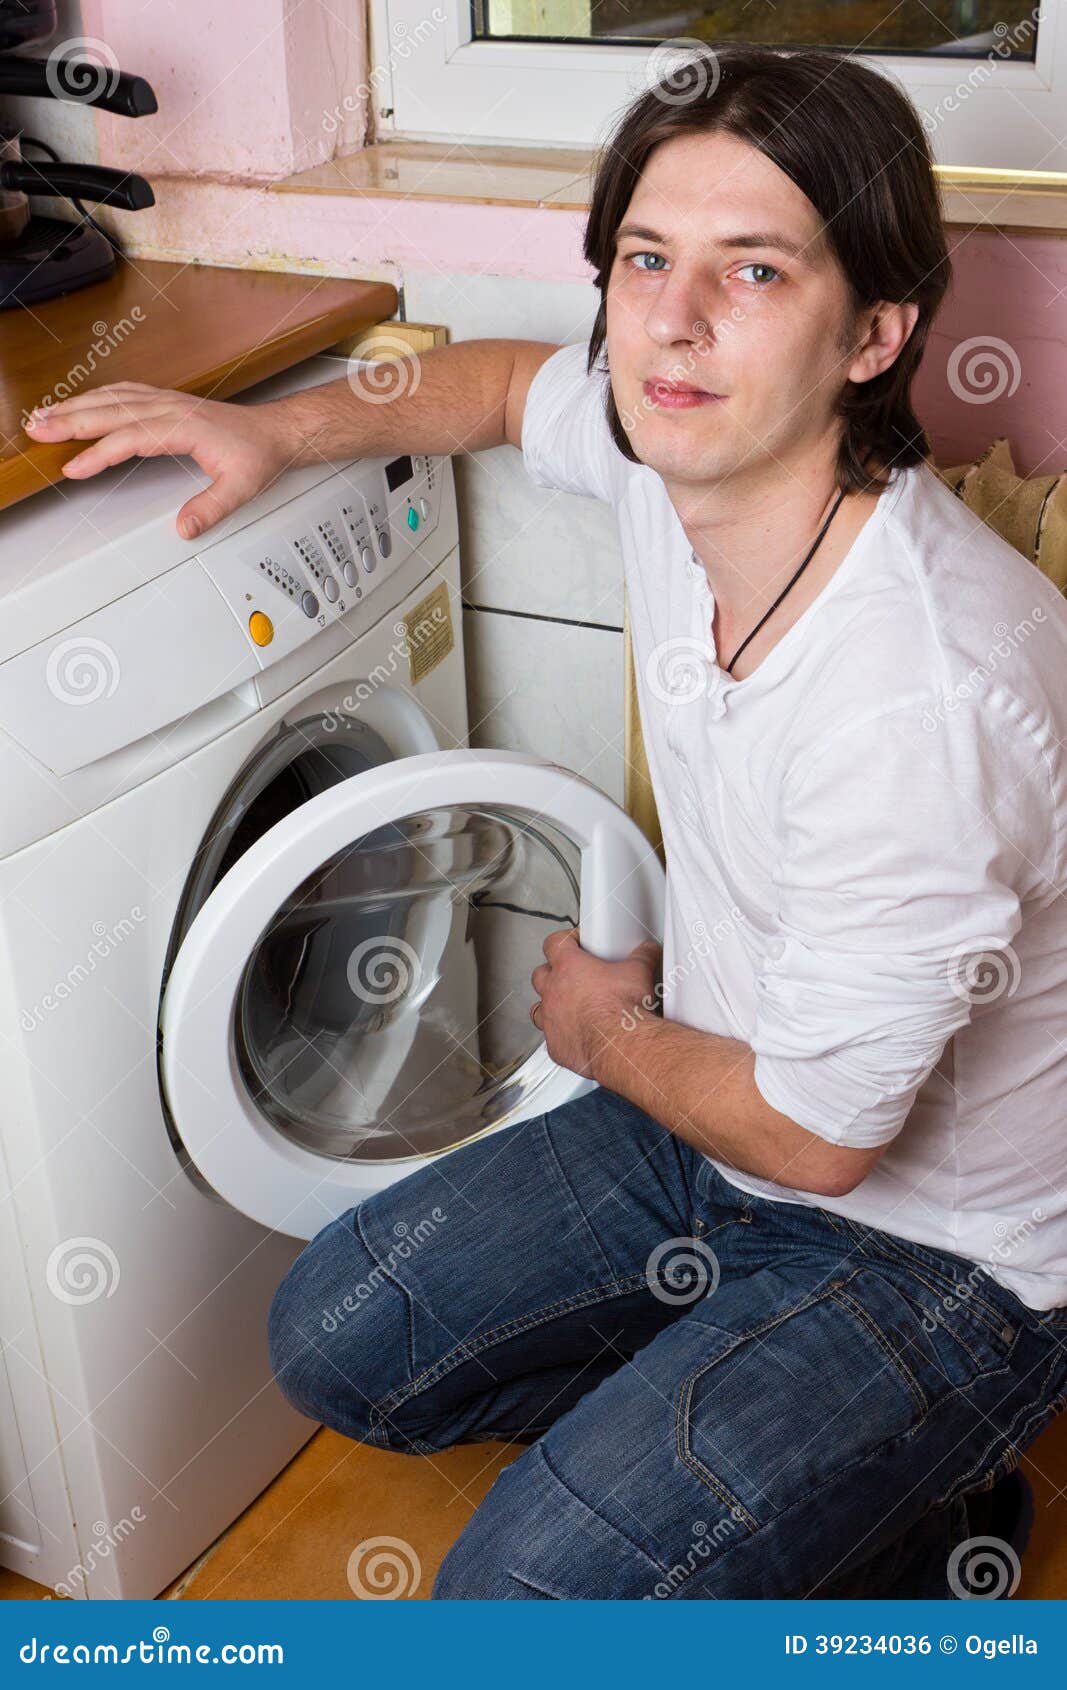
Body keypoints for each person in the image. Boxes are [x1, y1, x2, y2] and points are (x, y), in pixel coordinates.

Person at [29, 44, 1067, 1601]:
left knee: (510, 1602)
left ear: (877, 334)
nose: (675, 318)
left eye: (755, 271)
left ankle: (913, 1502)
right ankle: (776, 1468)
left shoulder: (920, 698)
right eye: (647, 259)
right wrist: (274, 430)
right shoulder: (680, 446)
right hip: (722, 1128)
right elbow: (512, 383)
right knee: (336, 1340)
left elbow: (818, 1137)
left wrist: (602, 1031)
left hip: (947, 1256)